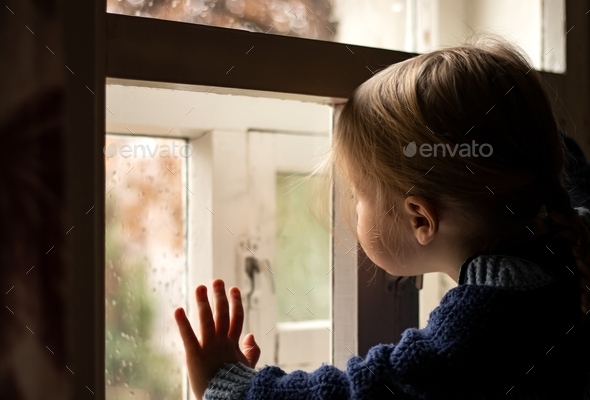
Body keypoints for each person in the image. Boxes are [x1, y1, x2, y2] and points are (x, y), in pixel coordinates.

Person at [173, 38, 590, 399]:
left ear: (421, 220)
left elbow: (366, 393)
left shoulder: (488, 325)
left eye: (358, 195)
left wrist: (232, 386)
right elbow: (559, 161)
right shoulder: (571, 233)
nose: (353, 207)